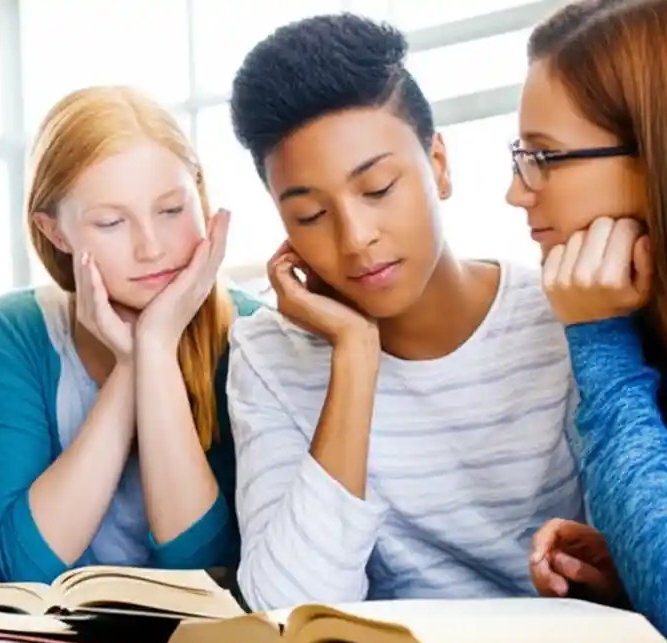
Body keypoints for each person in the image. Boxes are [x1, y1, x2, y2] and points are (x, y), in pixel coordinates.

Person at [227, 14, 581, 611]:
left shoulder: (562, 316)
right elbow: (286, 609)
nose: (356, 237)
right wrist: (355, 354)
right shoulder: (269, 355)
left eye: (379, 188)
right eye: (310, 216)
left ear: (437, 165)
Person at [512, 0, 667, 643]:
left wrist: (598, 339)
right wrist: (636, 573)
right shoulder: (649, 328)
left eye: (543, 157)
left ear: (662, 154)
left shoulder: (606, 332)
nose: (518, 192)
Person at [0, 86, 258, 584]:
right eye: (110, 222)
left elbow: (203, 572)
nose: (151, 248)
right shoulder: (16, 332)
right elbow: (22, 569)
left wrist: (156, 348)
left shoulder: (252, 334)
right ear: (55, 232)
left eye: (171, 210)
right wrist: (132, 367)